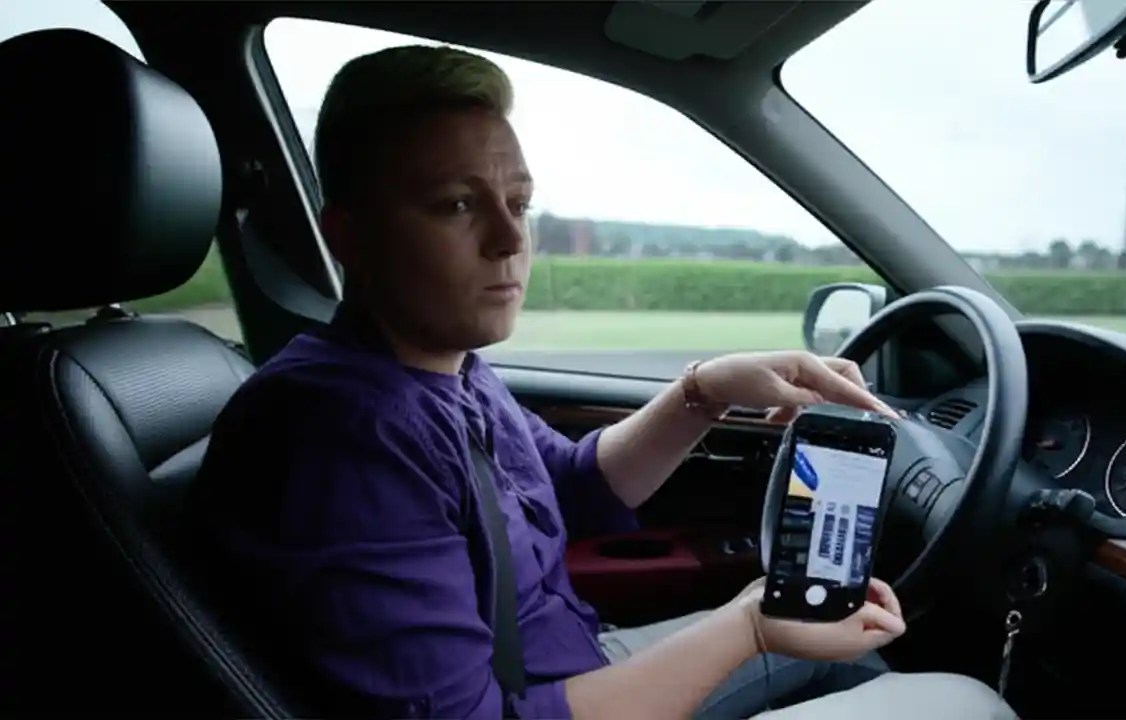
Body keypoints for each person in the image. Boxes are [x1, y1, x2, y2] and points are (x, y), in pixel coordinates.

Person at [190, 44, 1016, 720]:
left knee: (859, 653)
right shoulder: (340, 431)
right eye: (455, 206)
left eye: (520, 199)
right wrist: (746, 631)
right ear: (351, 236)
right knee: (962, 700)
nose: (511, 238)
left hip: (578, 662)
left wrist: (706, 391)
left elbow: (571, 487)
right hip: (554, 702)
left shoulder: (444, 369)